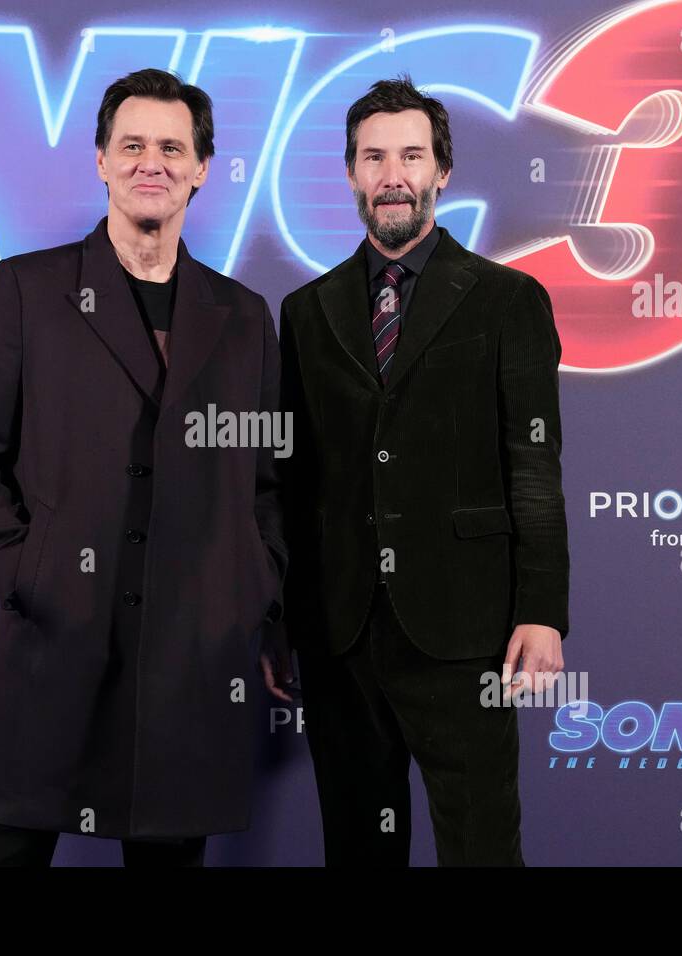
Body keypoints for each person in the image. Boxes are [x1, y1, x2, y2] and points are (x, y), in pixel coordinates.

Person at [0, 68, 285, 867]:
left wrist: (250, 591)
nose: (149, 161)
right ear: (100, 160)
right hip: (55, 640)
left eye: (171, 146)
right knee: (6, 852)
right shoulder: (28, 289)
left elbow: (267, 480)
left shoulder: (241, 317)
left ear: (203, 167)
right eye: (131, 145)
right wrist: (28, 571)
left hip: (188, 658)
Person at [263, 75, 569, 866]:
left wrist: (543, 611)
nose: (391, 173)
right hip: (339, 631)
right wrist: (280, 619)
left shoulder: (508, 300)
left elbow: (533, 463)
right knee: (358, 851)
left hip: (469, 633)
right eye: (373, 157)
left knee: (481, 848)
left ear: (442, 171)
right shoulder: (305, 311)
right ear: (352, 174)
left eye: (410, 154)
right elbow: (291, 483)